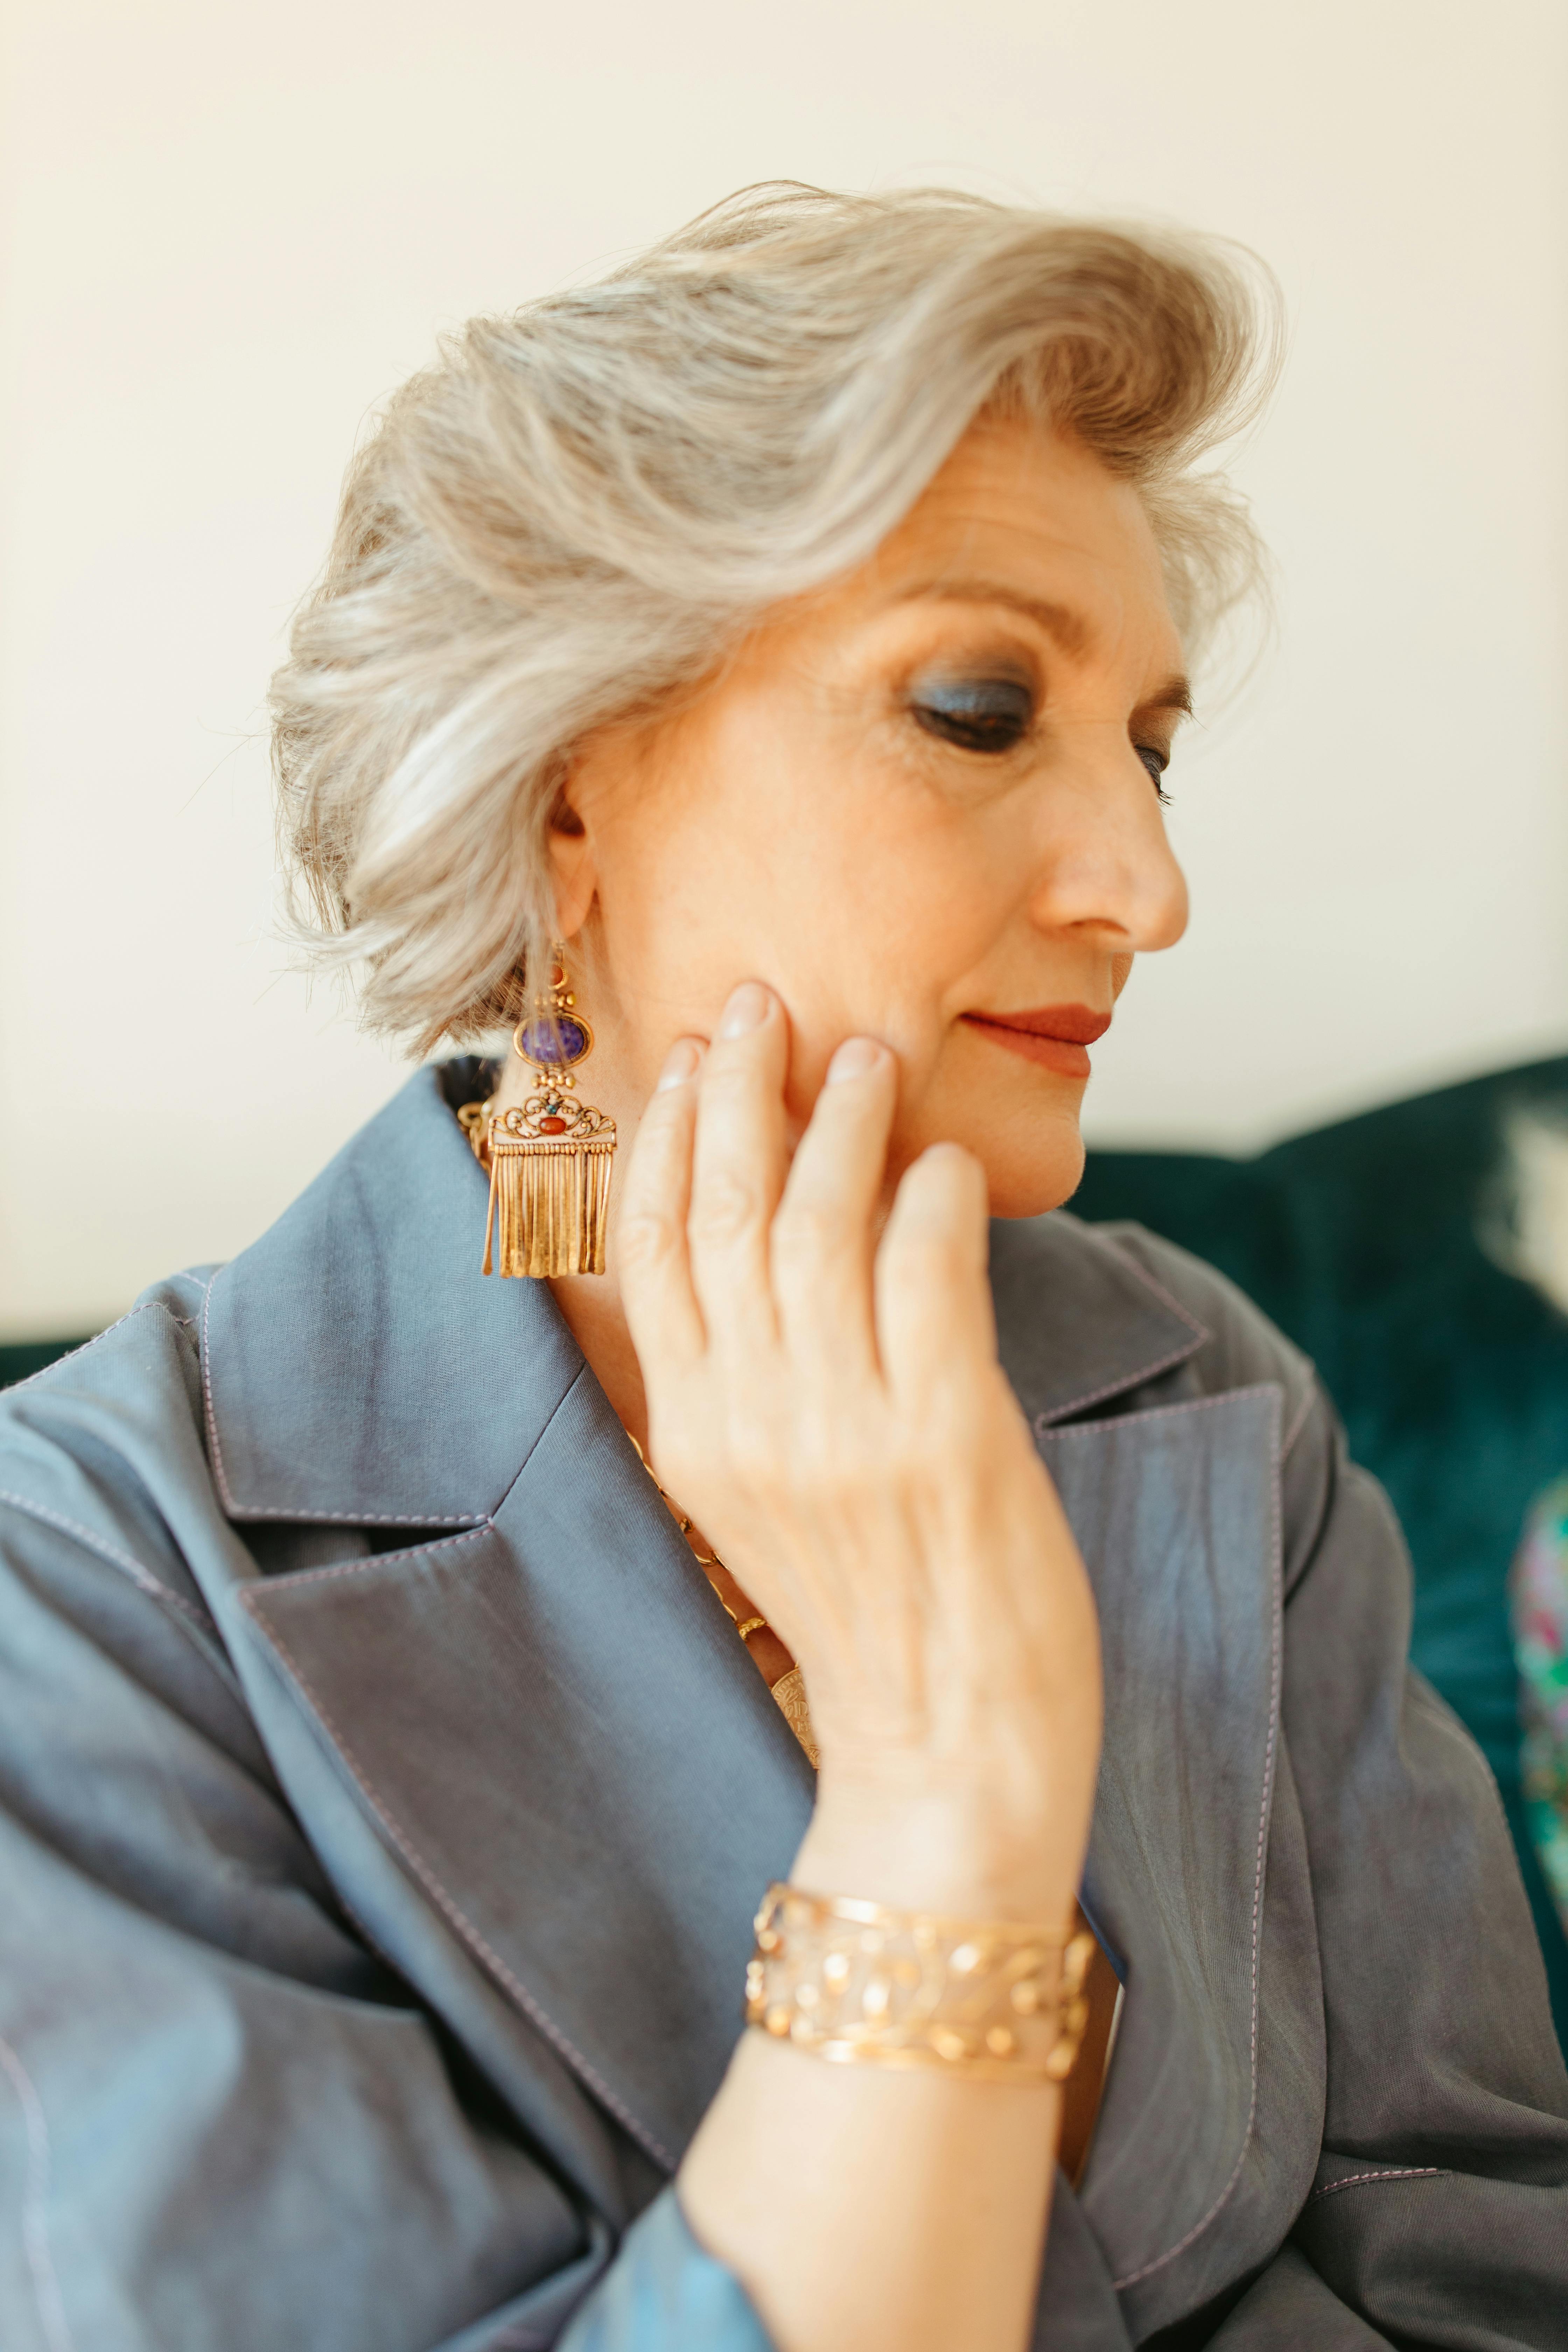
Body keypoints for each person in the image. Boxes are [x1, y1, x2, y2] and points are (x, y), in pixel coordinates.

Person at [1, 184, 1564, 2352]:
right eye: (978, 706)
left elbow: (1487, 2248)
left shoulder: (1206, 1385)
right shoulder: (76, 1584)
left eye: (1155, 749)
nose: (1151, 884)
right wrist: (946, 1784)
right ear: (570, 799)